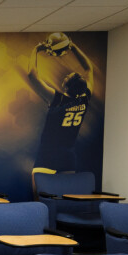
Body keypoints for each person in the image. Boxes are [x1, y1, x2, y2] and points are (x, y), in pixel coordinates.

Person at [26, 32, 96, 184]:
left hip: (48, 154)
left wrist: (36, 50)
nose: (64, 77)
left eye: (66, 78)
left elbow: (32, 76)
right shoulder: (85, 99)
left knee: (38, 193)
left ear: (66, 86)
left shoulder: (57, 99)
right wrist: (72, 46)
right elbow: (89, 69)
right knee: (65, 195)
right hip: (68, 155)